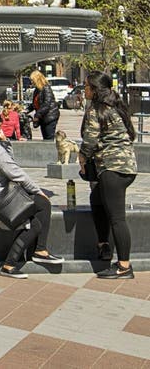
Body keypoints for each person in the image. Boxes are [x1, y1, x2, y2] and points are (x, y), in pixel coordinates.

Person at [0, 106, 63, 278]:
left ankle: (39, 251)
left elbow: (7, 163)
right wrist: (39, 191)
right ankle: (13, 263)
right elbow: (16, 172)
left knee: (38, 210)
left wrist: (4, 142)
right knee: (40, 210)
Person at [79, 70, 137, 279]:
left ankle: (124, 266)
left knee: (118, 218)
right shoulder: (117, 107)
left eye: (86, 86)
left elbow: (90, 140)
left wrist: (82, 158)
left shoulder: (96, 109)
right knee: (96, 199)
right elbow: (130, 135)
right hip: (126, 166)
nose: (83, 89)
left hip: (112, 168)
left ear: (94, 90)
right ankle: (104, 246)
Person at [27, 70, 60, 140]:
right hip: (43, 117)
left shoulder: (46, 88)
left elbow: (46, 104)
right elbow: (34, 104)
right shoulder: (37, 90)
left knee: (49, 138)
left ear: (37, 79)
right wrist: (25, 110)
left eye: (32, 80)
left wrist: (37, 115)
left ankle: (50, 151)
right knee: (45, 138)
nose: (31, 82)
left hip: (50, 117)